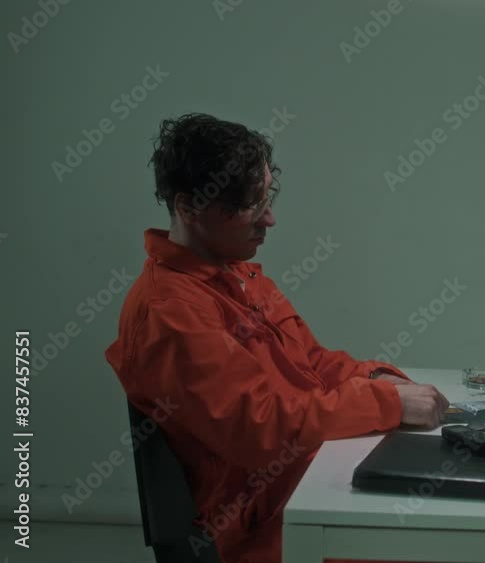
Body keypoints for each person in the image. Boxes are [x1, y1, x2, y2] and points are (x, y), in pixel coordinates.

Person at [105, 113, 449, 562]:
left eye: (267, 198)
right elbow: (261, 428)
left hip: (308, 491)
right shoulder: (170, 313)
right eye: (250, 205)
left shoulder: (237, 275)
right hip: (269, 531)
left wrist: (382, 378)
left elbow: (315, 364)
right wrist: (385, 404)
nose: (269, 219)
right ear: (190, 208)